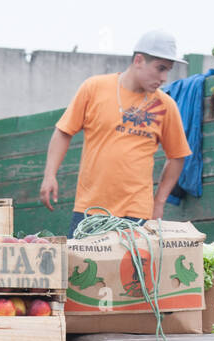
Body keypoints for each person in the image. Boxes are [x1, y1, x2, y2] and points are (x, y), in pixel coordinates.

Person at [39, 30, 192, 237]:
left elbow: (177, 156)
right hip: (91, 210)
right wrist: (50, 175)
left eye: (168, 71)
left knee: (133, 269)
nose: (164, 78)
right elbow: (63, 131)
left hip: (137, 214)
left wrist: (159, 202)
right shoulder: (94, 88)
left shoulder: (166, 106)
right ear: (139, 60)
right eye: (160, 68)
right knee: (82, 269)